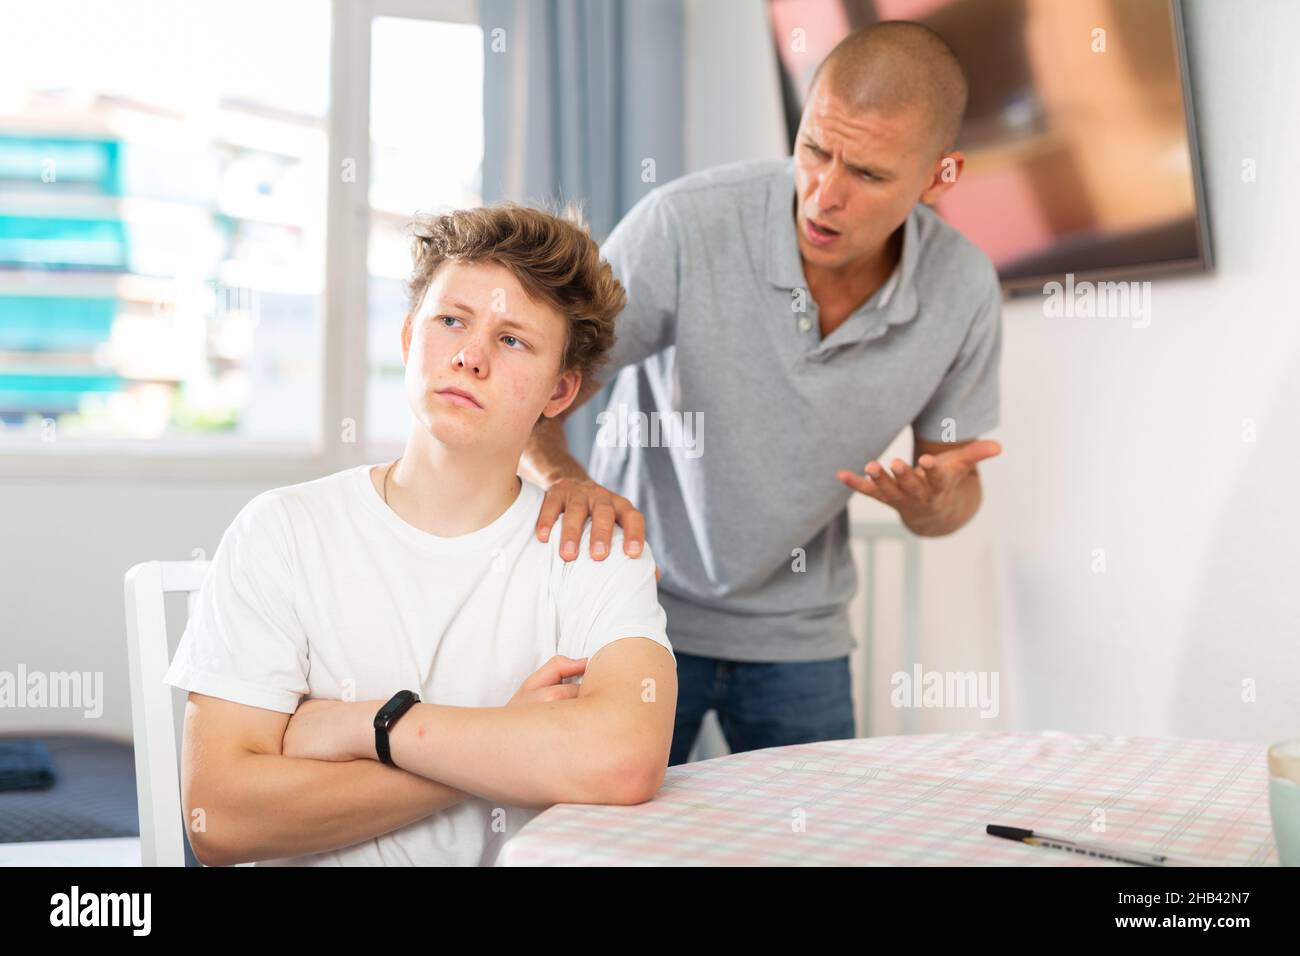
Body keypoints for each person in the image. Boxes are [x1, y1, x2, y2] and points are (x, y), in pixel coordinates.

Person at [520, 21, 1003, 765]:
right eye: (814, 149)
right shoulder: (684, 226)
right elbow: (528, 394)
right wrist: (563, 479)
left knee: (812, 844)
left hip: (798, 638)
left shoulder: (964, 288)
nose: (824, 196)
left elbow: (954, 491)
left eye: (868, 175)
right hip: (633, 613)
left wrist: (935, 504)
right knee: (601, 838)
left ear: (942, 176)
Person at [164, 203, 677, 866]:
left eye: (512, 340)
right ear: (410, 340)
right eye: (452, 321)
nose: (469, 357)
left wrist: (369, 727)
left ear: (560, 391)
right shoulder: (282, 531)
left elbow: (623, 761)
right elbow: (220, 816)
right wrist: (510, 742)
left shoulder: (594, 546)